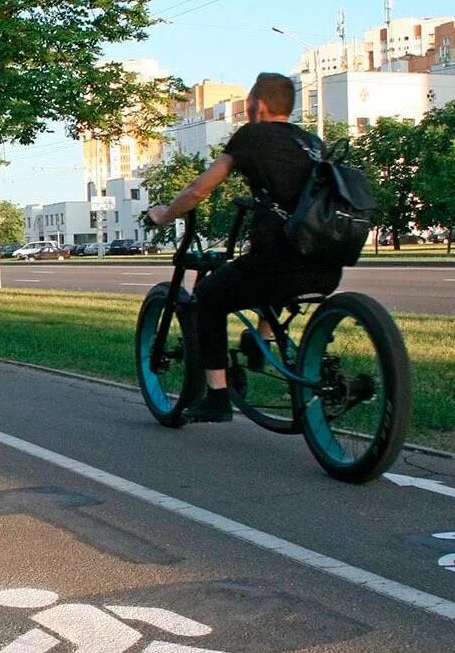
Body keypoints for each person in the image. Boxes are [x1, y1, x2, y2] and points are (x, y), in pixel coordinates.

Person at [147, 72, 343, 423]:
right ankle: (261, 340)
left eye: (250, 102)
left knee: (210, 294)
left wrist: (164, 215)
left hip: (277, 267)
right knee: (265, 275)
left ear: (258, 105)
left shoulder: (251, 136)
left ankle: (218, 398)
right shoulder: (312, 142)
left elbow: (198, 190)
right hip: (326, 267)